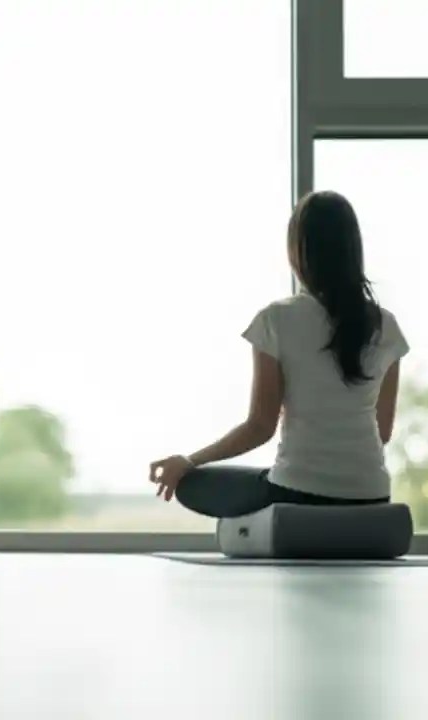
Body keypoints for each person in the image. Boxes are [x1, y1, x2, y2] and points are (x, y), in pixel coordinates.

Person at [149, 191, 409, 518]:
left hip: (296, 494)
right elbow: (381, 432)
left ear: (298, 251)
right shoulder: (387, 326)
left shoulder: (276, 319)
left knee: (192, 483)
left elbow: (260, 426)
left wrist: (189, 461)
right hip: (371, 495)